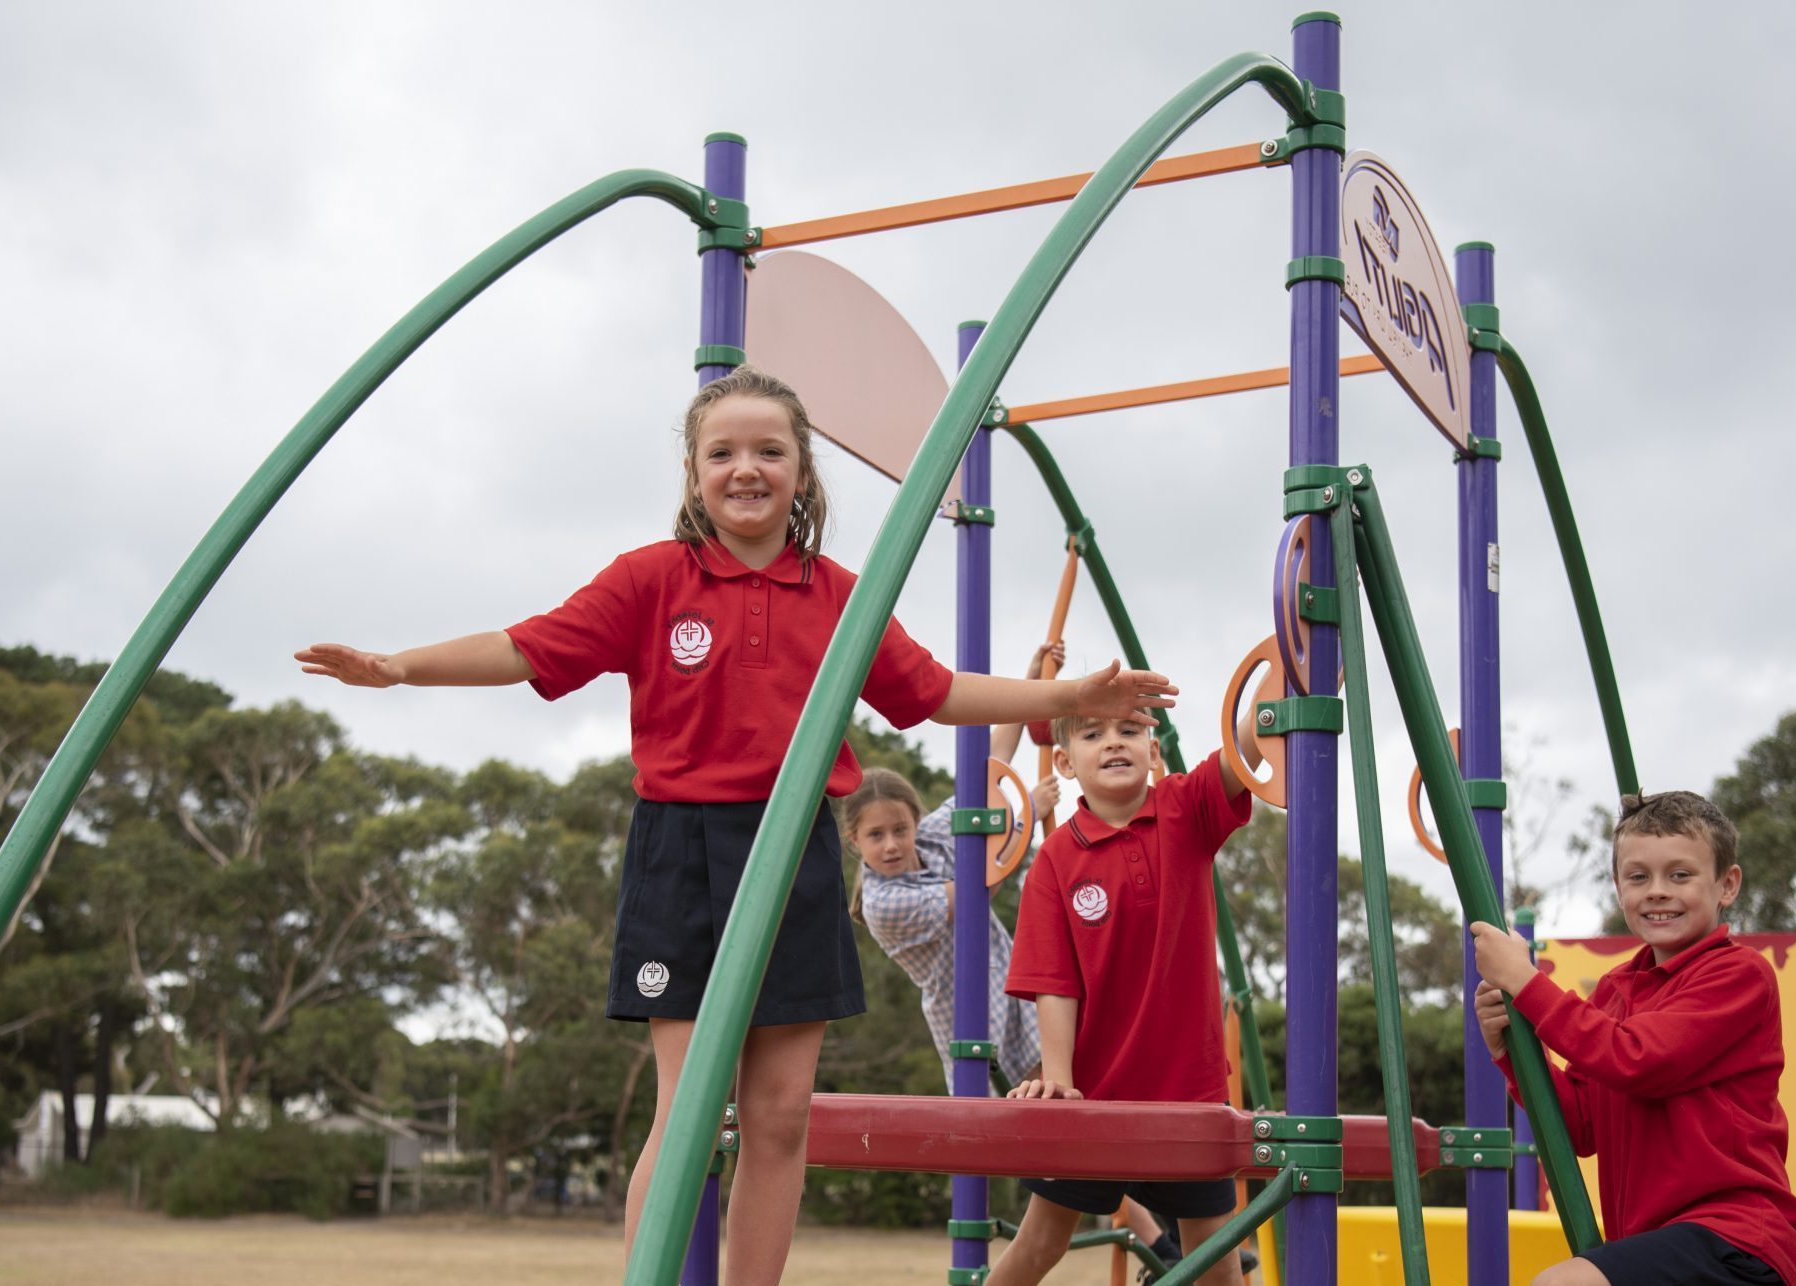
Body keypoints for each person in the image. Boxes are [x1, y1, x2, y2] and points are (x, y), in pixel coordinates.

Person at [295, 365, 1178, 1286]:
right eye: (723, 452)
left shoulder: (842, 594)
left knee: (781, 1111)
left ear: (802, 473)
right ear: (694, 473)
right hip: (680, 853)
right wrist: (400, 667)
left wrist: (1075, 691)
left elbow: (938, 691)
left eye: (770, 451)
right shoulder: (651, 580)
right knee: (687, 1106)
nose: (745, 469)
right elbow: (528, 646)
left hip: (792, 851)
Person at [1469, 791, 1796, 1286]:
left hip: (1736, 1236)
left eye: (1680, 875)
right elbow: (1580, 1127)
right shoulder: (1615, 992)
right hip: (1654, 1241)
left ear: (1727, 885)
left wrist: (1528, 984)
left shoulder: (1738, 974)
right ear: (1618, 888)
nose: (1657, 891)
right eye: (1638, 877)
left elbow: (1640, 1060)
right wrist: (1512, 1053)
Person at [987, 704, 1260, 1286]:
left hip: (1191, 1093)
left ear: (1154, 751)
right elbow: (1052, 981)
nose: (1114, 743)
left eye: (1130, 731)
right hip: (1093, 1094)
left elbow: (1247, 748)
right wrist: (1059, 1080)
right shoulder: (1056, 860)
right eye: (1094, 734)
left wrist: (1296, 668)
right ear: (1065, 761)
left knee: (1216, 1262)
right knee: (1040, 1243)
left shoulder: (1188, 809)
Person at [847, 642, 1065, 1090]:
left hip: (1011, 985)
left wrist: (1030, 684)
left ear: (915, 820)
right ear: (855, 841)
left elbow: (988, 767)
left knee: (1055, 1088)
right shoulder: (882, 903)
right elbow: (973, 893)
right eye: (875, 835)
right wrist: (1026, 812)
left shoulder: (932, 836)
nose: (892, 845)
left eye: (900, 830)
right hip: (971, 1015)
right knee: (1005, 1113)